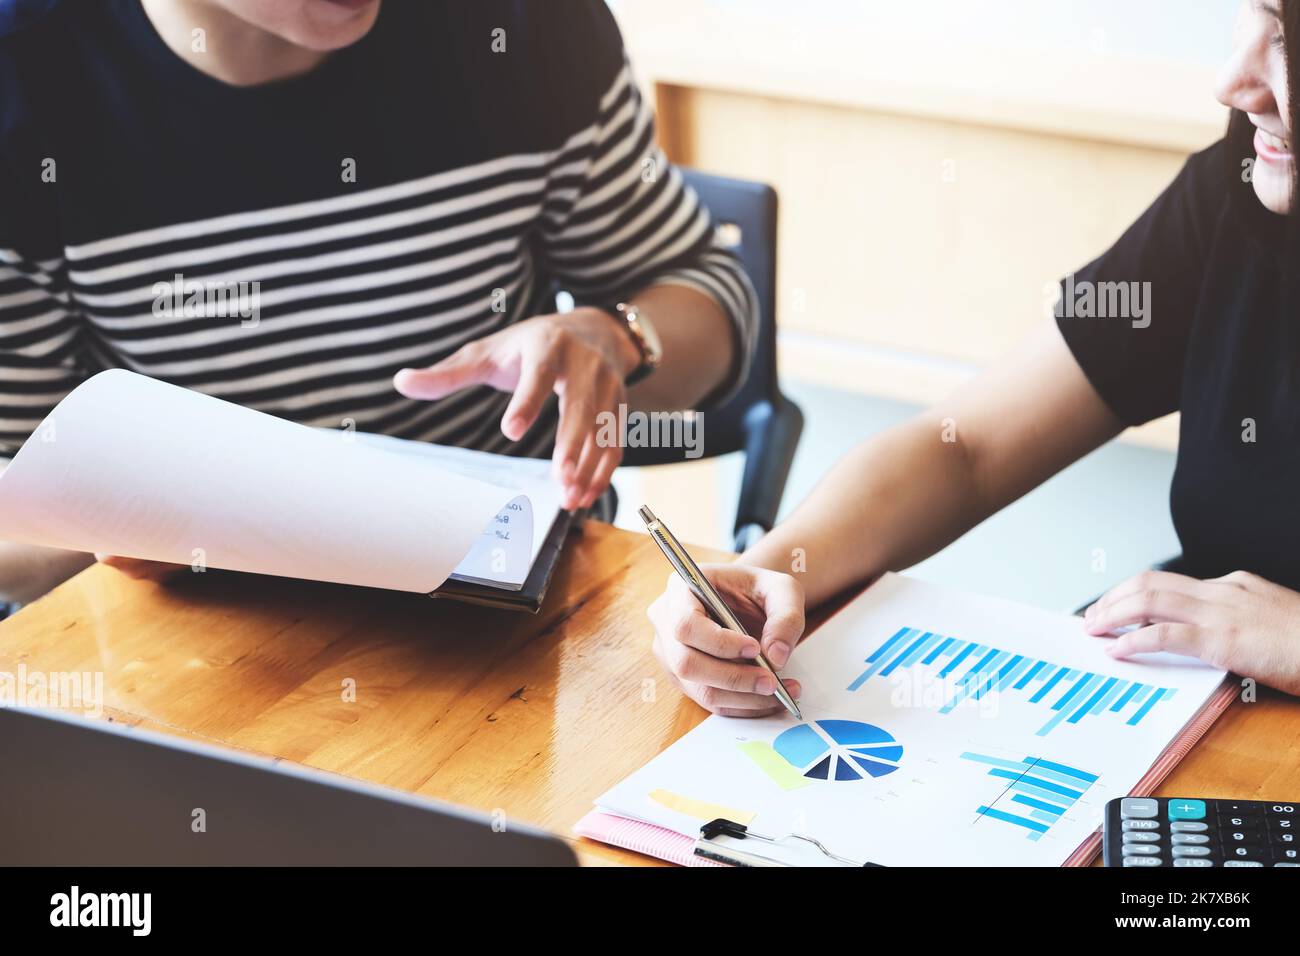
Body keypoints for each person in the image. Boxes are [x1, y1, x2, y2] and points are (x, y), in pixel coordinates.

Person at [649, 0, 1300, 714]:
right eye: (1251, 14)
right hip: (1197, 703)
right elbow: (968, 447)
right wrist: (761, 577)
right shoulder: (1235, 184)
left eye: (1287, 36)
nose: (1234, 81)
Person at [0, 0, 757, 603]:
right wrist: (119, 529)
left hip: (512, 601)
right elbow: (16, 516)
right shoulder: (26, 89)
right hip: (197, 636)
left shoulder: (526, 28)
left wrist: (619, 338)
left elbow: (710, 296)